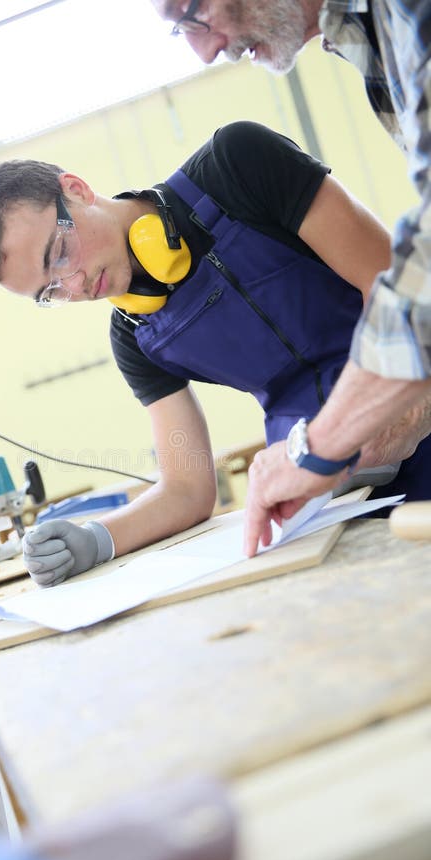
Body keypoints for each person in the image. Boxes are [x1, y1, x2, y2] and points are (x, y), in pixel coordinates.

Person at [0, 120, 429, 587]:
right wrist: (96, 539)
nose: (76, 285)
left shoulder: (237, 165)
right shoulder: (135, 337)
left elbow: (400, 295)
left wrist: (371, 430)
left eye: (60, 254)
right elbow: (187, 487)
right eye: (51, 292)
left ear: (77, 190)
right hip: (329, 500)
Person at [151, 0, 431, 556]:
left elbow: (416, 275)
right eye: (48, 294)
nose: (205, 51)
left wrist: (320, 446)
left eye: (192, 13)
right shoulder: (366, 34)